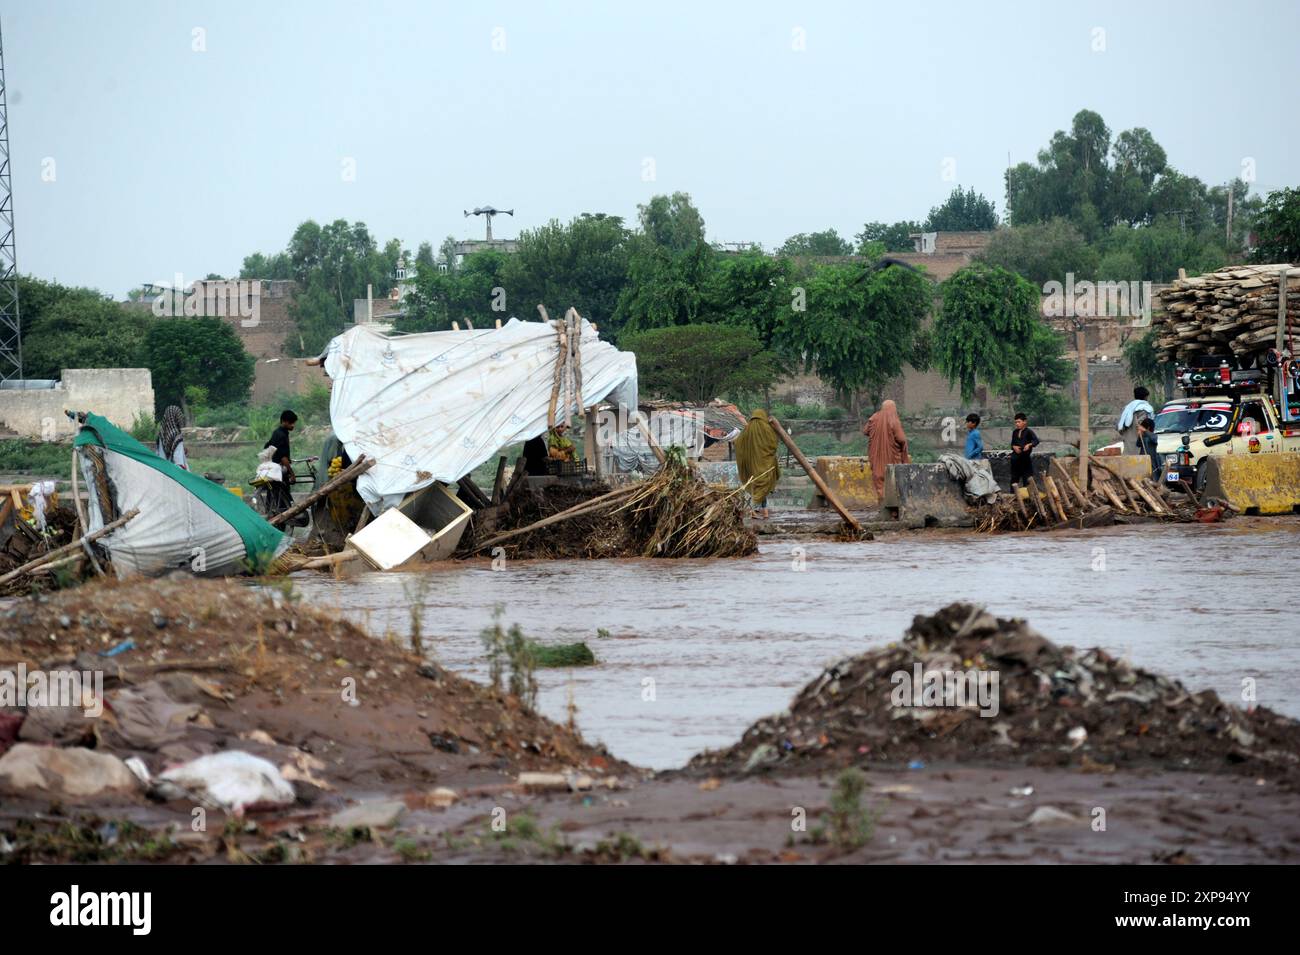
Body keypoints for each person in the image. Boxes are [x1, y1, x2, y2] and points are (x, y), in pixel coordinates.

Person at [735, 408, 780, 519]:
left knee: (754, 487)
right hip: (765, 464)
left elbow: (738, 442)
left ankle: (754, 511)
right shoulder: (766, 428)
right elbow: (773, 444)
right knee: (763, 488)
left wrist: (747, 455)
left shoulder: (747, 429)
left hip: (751, 465)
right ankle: (764, 512)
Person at [863, 399, 910, 500]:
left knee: (879, 479)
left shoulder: (874, 417)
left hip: (876, 456)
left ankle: (883, 506)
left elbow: (865, 431)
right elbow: (901, 439)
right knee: (892, 480)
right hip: (891, 457)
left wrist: (877, 435)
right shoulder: (893, 419)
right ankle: (893, 507)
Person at [263, 409, 298, 514]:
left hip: (273, 470)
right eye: (291, 422)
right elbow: (283, 457)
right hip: (278, 471)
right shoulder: (281, 435)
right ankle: (283, 518)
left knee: (273, 495)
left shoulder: (278, 432)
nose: (293, 425)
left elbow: (268, 447)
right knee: (282, 498)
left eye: (294, 423)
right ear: (284, 421)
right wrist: (292, 474)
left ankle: (271, 515)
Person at [1116, 386, 1155, 454]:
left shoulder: (1126, 409)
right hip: (1141, 444)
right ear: (1145, 397)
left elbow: (1118, 426)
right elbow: (1146, 427)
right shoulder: (1146, 409)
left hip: (1128, 444)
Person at [1009, 412, 1039, 485]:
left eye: (1019, 422)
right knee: (1014, 478)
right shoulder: (1015, 432)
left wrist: (1029, 445)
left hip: (1025, 459)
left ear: (1024, 422)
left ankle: (1028, 495)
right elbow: (1012, 443)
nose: (1017, 424)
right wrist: (1014, 447)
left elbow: (1036, 441)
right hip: (1015, 459)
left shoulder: (1029, 431)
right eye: (1016, 422)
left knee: (1027, 478)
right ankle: (1013, 494)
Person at [155, 404, 188, 469]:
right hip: (173, 473)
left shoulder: (160, 434)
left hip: (162, 469)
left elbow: (158, 453)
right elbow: (178, 461)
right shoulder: (177, 436)